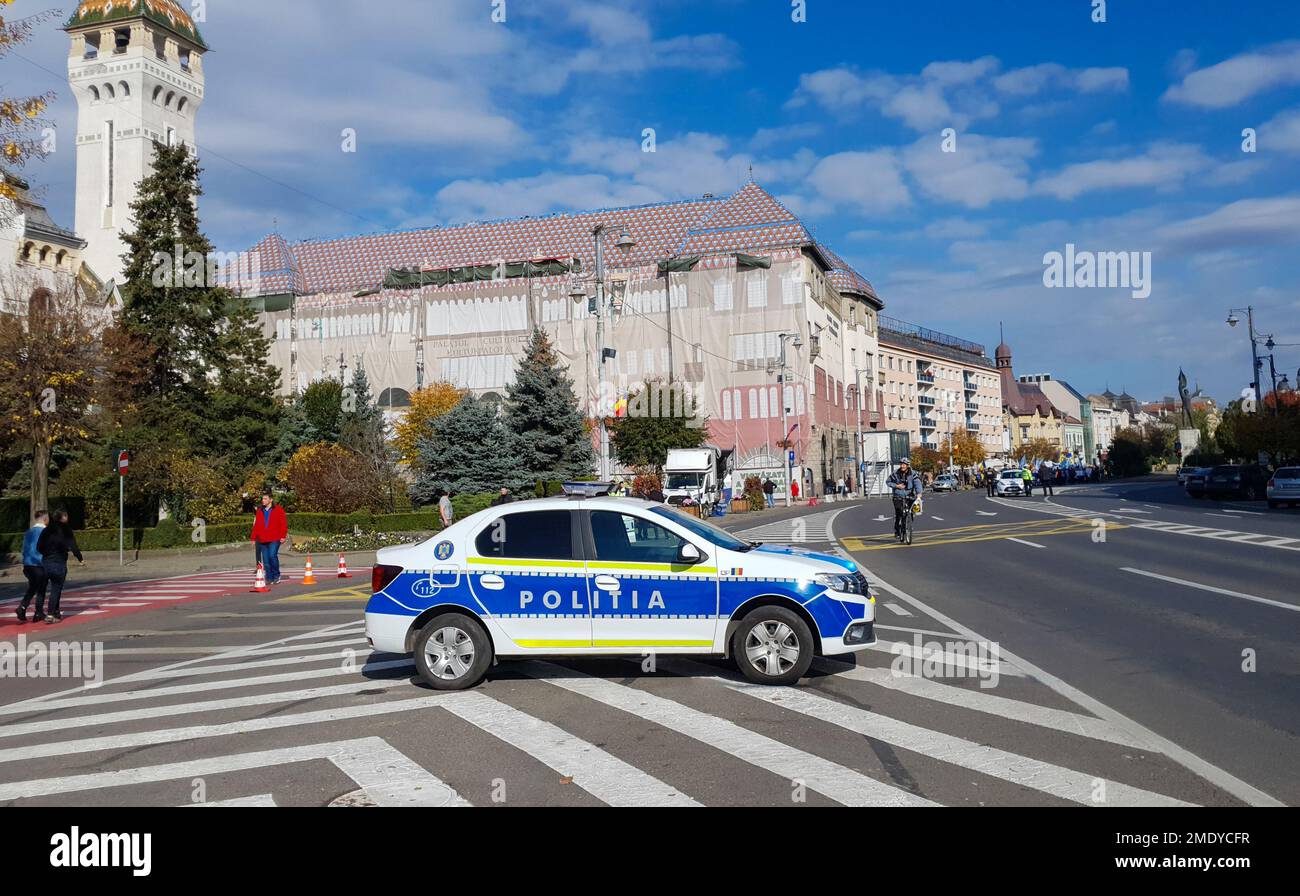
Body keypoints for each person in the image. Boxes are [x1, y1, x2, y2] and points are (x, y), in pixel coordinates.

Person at [36, 510, 83, 624]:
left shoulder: (47, 530)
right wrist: (80, 558)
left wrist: (46, 554)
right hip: (59, 562)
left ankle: (40, 612)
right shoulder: (66, 530)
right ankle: (51, 613)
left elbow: (39, 546)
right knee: (56, 588)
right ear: (64, 517)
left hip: (46, 562)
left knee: (42, 588)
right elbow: (73, 545)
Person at [17, 510, 49, 624]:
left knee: (33, 587)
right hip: (39, 564)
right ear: (45, 519)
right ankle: (38, 612)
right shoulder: (45, 532)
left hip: (27, 564)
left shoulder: (28, 532)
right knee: (41, 589)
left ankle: (22, 607)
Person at [250, 490, 288, 585]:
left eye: (265, 498)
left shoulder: (278, 510)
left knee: (272, 556)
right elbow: (256, 525)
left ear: (270, 500)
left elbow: (283, 524)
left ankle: (276, 575)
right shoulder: (260, 511)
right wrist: (253, 538)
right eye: (262, 498)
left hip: (275, 538)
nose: (263, 500)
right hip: (262, 539)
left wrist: (283, 536)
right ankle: (269, 578)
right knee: (266, 560)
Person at [887, 458, 923, 540]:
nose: (902, 466)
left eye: (904, 464)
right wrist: (896, 486)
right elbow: (888, 482)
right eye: (901, 464)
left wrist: (919, 493)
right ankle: (897, 530)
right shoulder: (895, 473)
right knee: (899, 513)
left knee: (911, 511)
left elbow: (917, 483)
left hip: (909, 495)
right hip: (898, 496)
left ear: (907, 465)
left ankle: (908, 525)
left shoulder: (913, 474)